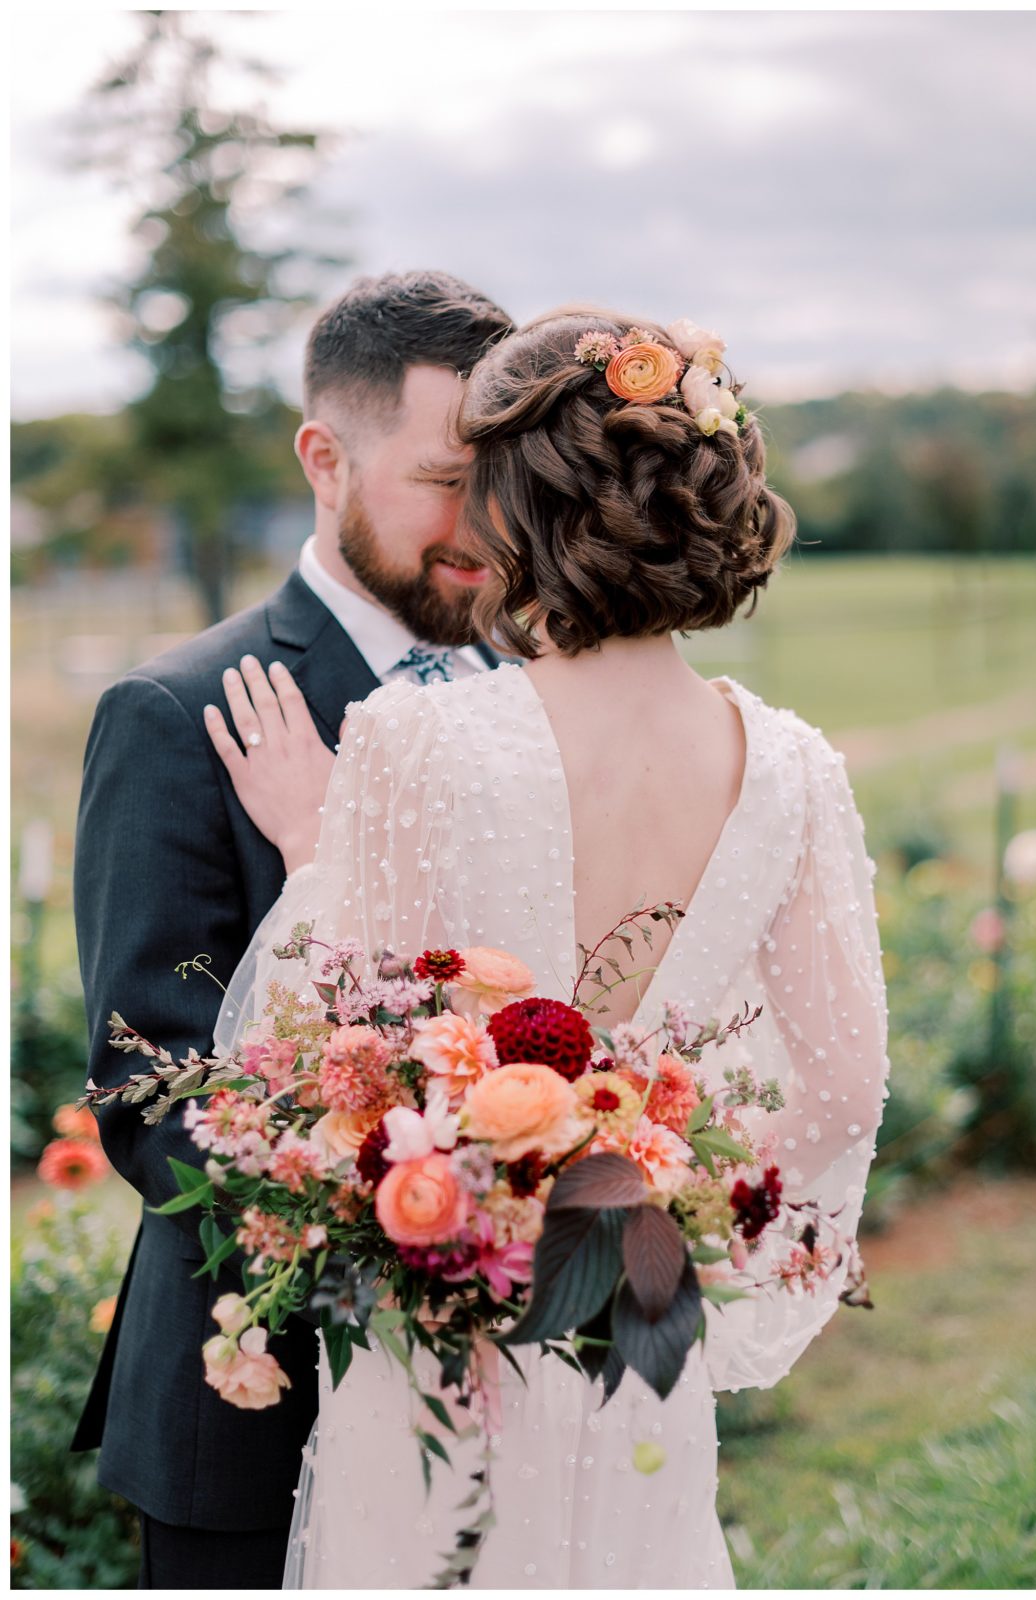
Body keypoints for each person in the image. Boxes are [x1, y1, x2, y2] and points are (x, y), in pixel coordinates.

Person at [207, 307, 892, 1589]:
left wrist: (313, 846)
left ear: (520, 505)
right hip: (641, 1320)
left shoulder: (424, 742)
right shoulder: (792, 767)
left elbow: (336, 1043)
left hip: (449, 1334)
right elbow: (846, 1086)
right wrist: (664, 1219)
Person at [71, 268, 513, 1590]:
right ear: (323, 458)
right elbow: (154, 1101)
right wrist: (435, 1217)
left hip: (512, 1400)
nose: (484, 523)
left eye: (508, 478)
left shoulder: (539, 695)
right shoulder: (175, 713)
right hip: (258, 1412)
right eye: (445, 478)